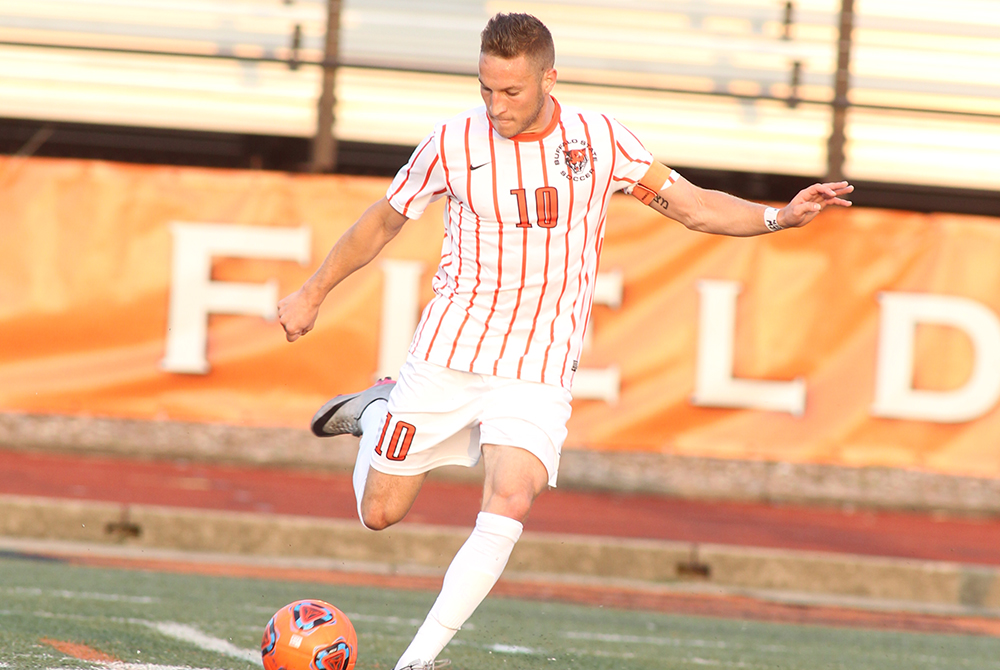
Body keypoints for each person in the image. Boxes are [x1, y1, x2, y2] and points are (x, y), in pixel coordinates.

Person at [278, 12, 853, 670]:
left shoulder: (599, 142)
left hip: (540, 365)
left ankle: (417, 661)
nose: (496, 106)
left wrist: (778, 216)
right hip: (450, 351)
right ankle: (380, 411)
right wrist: (313, 292)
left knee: (512, 495)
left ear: (550, 78)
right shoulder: (451, 143)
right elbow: (381, 223)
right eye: (485, 89)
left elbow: (691, 205)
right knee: (379, 514)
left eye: (512, 92)